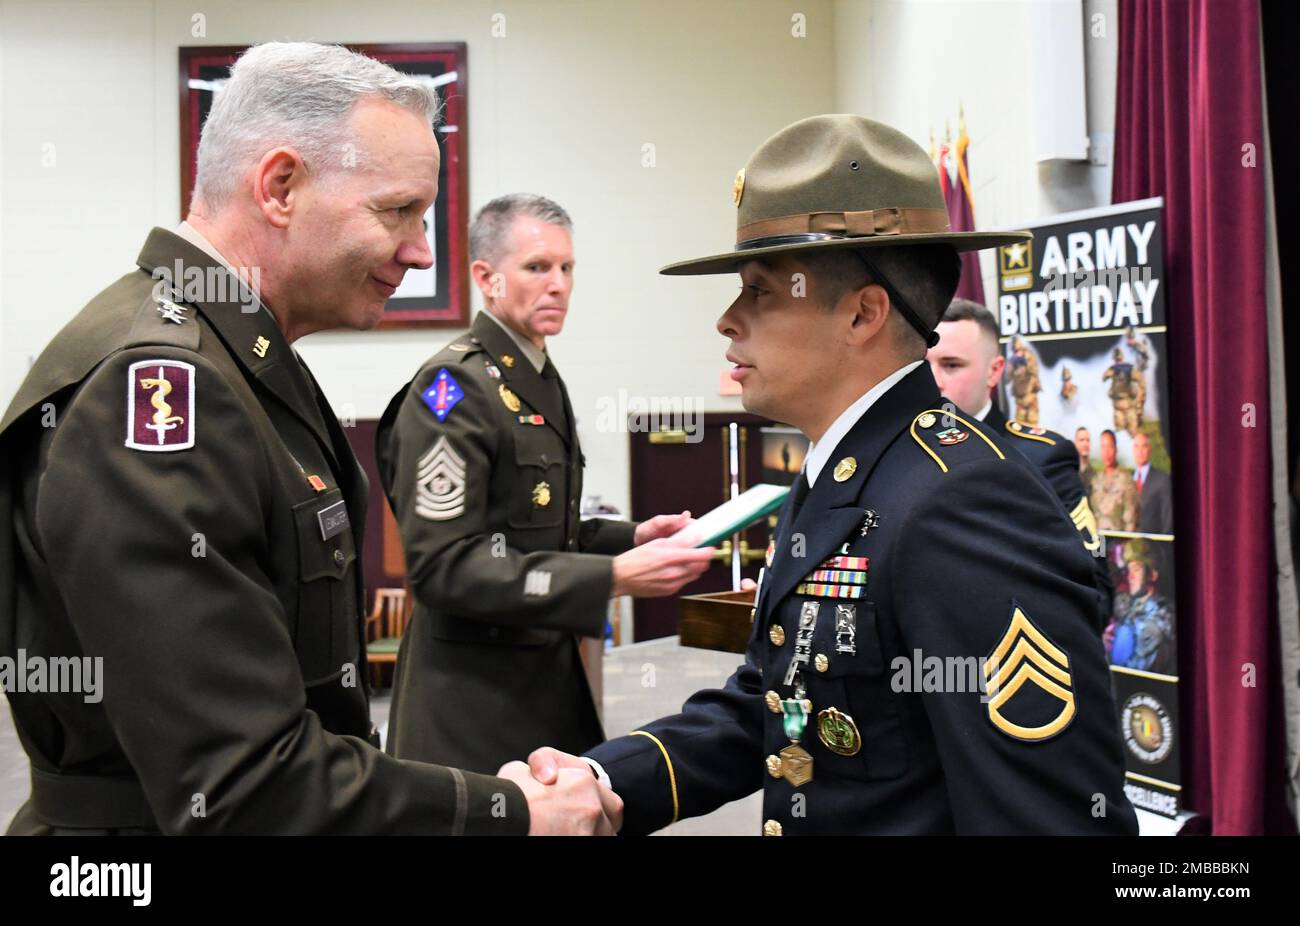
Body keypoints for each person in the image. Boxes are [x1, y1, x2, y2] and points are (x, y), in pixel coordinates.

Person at [0, 42, 618, 835]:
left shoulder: (240, 361)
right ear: (281, 186)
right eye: (397, 211)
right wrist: (507, 813)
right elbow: (244, 787)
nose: (423, 250)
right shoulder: (157, 389)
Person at [524, 114, 1137, 835]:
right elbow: (781, 702)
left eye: (761, 292)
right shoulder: (845, 474)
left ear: (863, 315)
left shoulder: (960, 498)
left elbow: (1046, 819)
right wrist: (605, 781)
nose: (727, 319)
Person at [377, 194, 713, 774]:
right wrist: (609, 579)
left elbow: (534, 532)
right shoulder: (452, 390)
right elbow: (444, 566)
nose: (558, 284)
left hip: (543, 680)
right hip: (471, 705)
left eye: (567, 267)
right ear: (487, 277)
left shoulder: (537, 375)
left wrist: (630, 540)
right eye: (537, 267)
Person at [929, 299, 1109, 627]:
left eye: (951, 365)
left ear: (994, 371)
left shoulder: (1040, 458)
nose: (933, 380)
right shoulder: (891, 452)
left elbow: (1093, 590)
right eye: (921, 365)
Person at [1105, 542, 1175, 674]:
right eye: (1128, 570)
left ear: (1152, 575)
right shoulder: (1124, 602)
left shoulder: (1164, 614)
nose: (1130, 576)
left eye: (1136, 569)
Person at [1092, 429, 1139, 533]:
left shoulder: (1126, 480)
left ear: (1116, 449)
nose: (1106, 452)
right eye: (1103, 447)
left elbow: (1131, 519)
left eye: (1110, 446)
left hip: (1119, 542)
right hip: (1098, 543)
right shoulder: (1095, 480)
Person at [1133, 431, 1173, 535]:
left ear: (1150, 450)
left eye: (1144, 446)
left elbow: (1167, 517)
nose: (1140, 451)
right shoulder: (1127, 478)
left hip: (1153, 546)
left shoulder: (1162, 479)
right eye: (1136, 447)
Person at [1075, 426, 1095, 498]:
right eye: (1082, 440)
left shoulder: (1095, 475)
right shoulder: (1070, 472)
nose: (1085, 444)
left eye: (1088, 440)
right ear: (1075, 443)